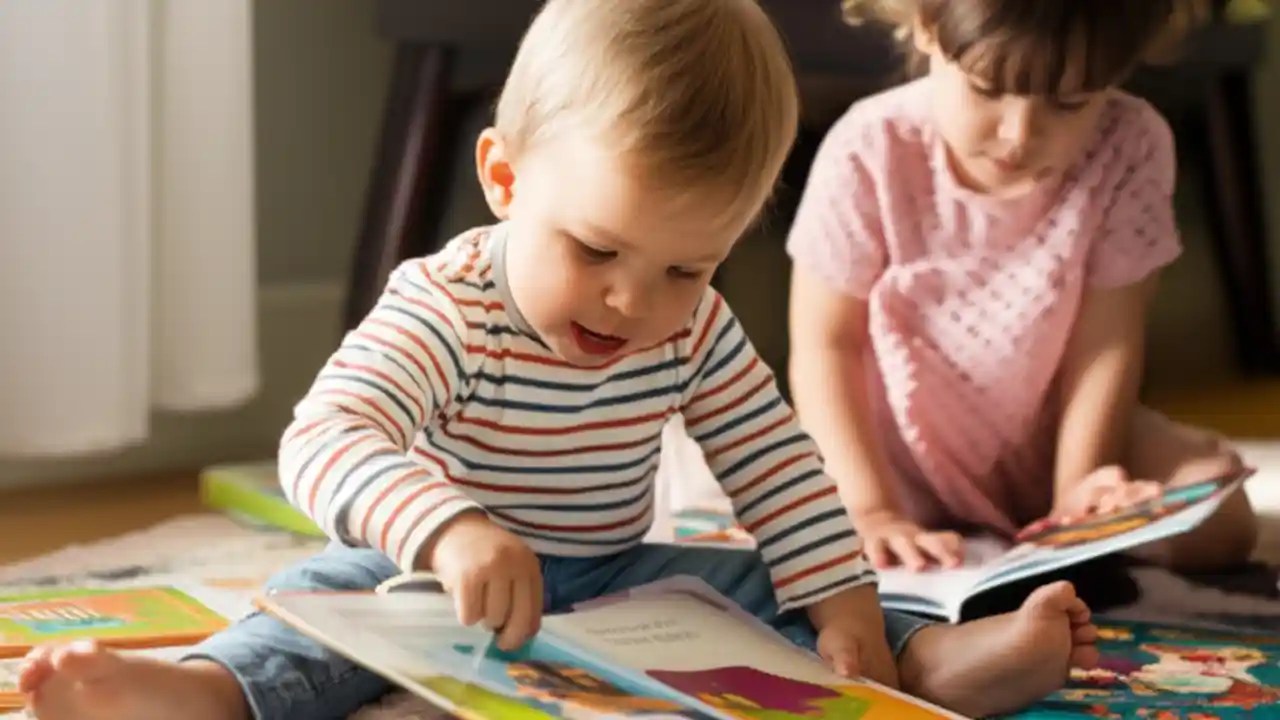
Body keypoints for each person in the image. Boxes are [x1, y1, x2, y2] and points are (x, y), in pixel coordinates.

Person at [20, 1, 1100, 718]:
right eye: (594, 250)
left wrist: (840, 608)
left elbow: (776, 465)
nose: (635, 302)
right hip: (431, 575)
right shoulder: (449, 306)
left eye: (688, 266)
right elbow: (325, 440)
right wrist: (447, 530)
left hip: (623, 576)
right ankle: (202, 692)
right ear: (501, 177)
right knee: (316, 603)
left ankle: (920, 667)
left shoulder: (693, 326)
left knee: (789, 584)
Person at [786, 0, 1257, 573]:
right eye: (987, 89)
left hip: (1057, 436)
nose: (1018, 135)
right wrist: (870, 508)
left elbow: (1105, 344)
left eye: (1069, 104)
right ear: (930, 28)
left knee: (1223, 519)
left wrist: (1079, 491)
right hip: (896, 462)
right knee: (806, 537)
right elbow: (824, 345)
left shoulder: (1131, 144)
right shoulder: (869, 146)